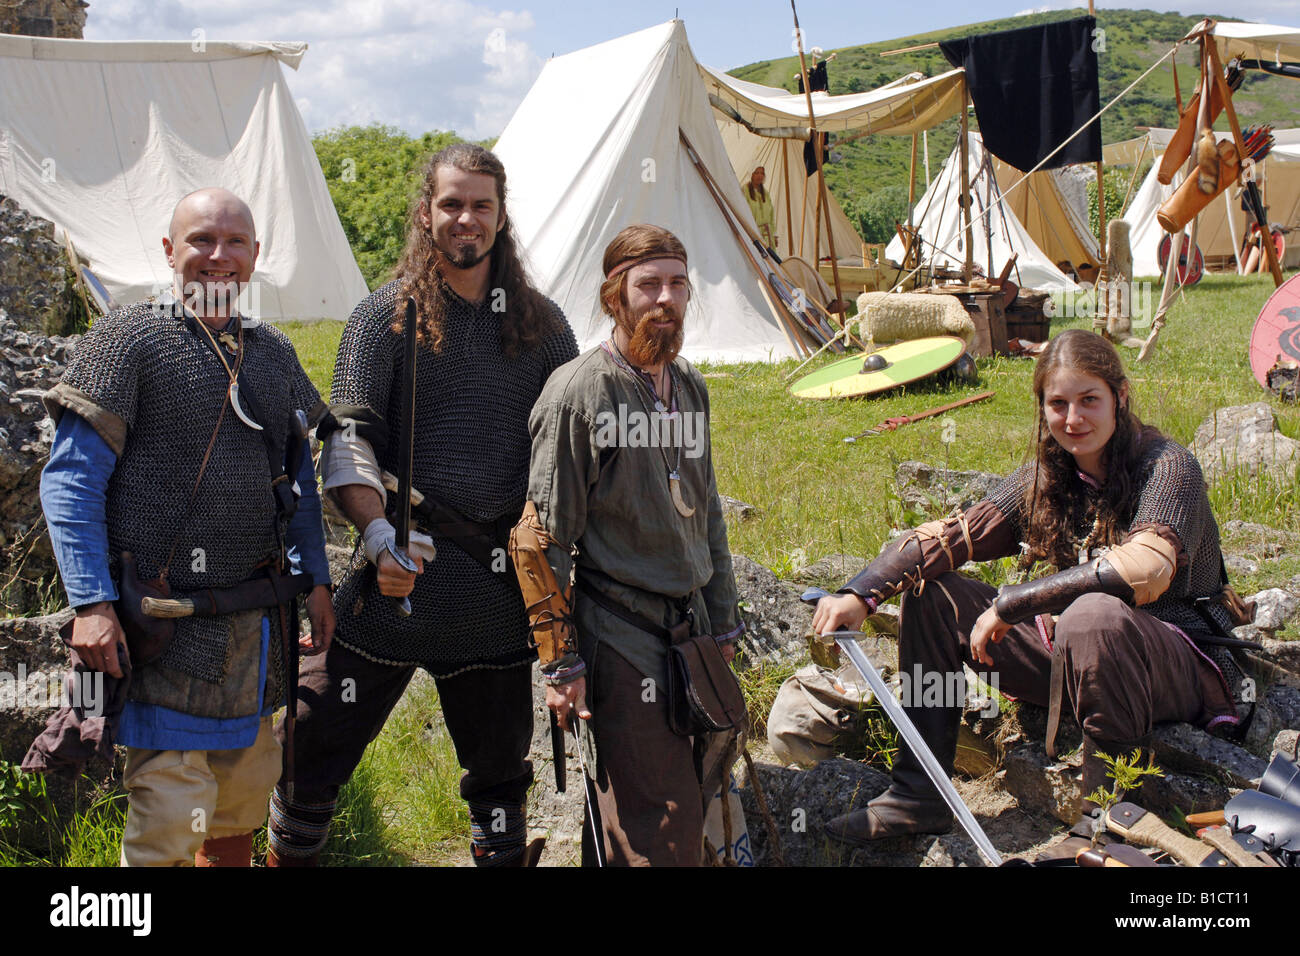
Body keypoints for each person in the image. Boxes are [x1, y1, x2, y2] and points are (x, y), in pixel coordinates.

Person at [812, 328, 1248, 846]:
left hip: (1180, 659)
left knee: (1093, 614)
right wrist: (861, 593)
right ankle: (918, 795)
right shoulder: (1048, 476)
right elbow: (954, 536)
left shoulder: (1169, 467)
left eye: (1089, 400)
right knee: (934, 593)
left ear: (1120, 397)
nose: (1073, 419)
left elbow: (1143, 570)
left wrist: (1013, 603)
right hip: (1077, 654)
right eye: (1057, 404)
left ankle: (1103, 822)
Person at [267, 143, 577, 867]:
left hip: (498, 585)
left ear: (500, 218)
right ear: (425, 214)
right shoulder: (385, 318)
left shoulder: (540, 325)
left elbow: (572, 444)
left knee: (501, 776)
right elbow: (346, 442)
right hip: (397, 575)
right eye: (451, 204)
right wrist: (377, 537)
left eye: (481, 206)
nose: (465, 219)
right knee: (308, 742)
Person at [38, 187, 334, 866]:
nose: (218, 256)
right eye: (201, 240)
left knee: (236, 815)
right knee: (169, 824)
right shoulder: (130, 338)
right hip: (161, 627)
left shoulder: (273, 353)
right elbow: (70, 480)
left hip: (252, 628)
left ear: (256, 256)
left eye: (234, 243)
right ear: (171, 252)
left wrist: (315, 576)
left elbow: (301, 483)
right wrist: (89, 605)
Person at [518, 224, 745, 866]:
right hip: (618, 635)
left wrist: (724, 626)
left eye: (677, 284)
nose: (664, 299)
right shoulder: (579, 393)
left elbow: (709, 517)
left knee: (661, 809)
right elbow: (540, 541)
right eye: (648, 285)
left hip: (690, 633)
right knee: (663, 825)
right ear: (614, 296)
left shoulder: (690, 387)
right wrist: (561, 667)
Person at [743, 166, 778, 251]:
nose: (760, 176)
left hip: (767, 235)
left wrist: (774, 235)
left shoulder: (765, 194)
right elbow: (744, 213)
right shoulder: (745, 191)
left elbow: (771, 215)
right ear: (751, 174)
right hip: (754, 235)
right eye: (756, 173)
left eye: (762, 173)